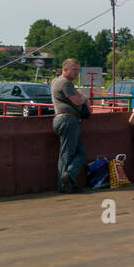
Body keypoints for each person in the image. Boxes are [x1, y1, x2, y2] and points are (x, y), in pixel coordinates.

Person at [50, 59, 89, 193]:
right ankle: (67, 178)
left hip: (62, 119)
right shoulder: (65, 83)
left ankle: (66, 183)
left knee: (71, 152)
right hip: (68, 119)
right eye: (74, 69)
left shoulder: (57, 81)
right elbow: (77, 101)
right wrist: (84, 98)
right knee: (69, 153)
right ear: (65, 69)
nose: (77, 72)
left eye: (78, 69)